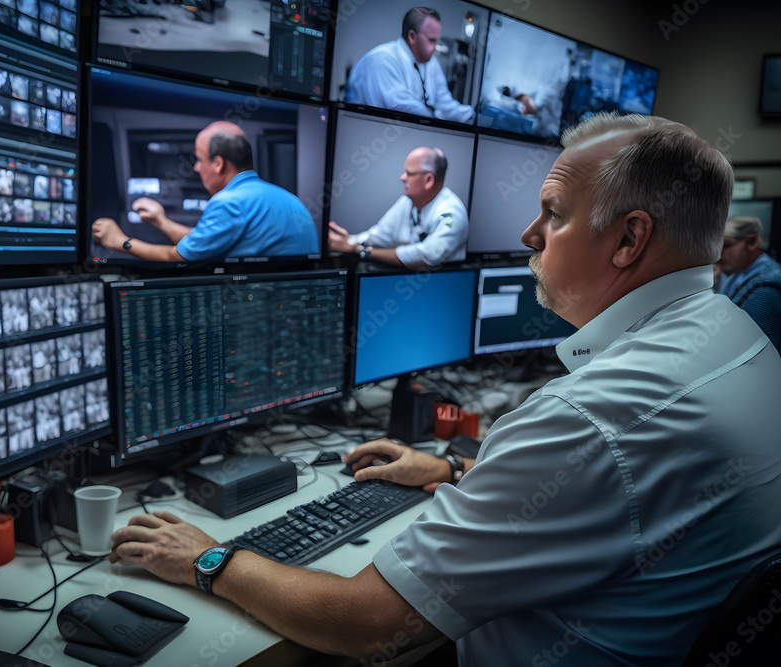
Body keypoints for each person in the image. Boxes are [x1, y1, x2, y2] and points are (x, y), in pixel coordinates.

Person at [106, 112, 781, 664]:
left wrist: (211, 559)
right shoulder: (739, 338)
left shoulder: (587, 415)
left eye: (553, 213)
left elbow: (372, 625)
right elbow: (627, 486)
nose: (527, 234)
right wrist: (458, 463)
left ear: (630, 238)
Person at [92, 121, 319, 262]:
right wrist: (160, 220)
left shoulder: (229, 202)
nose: (196, 167)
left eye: (200, 160)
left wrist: (120, 241)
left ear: (218, 164)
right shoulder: (289, 200)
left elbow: (176, 256)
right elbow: (203, 243)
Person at [328, 146, 468, 268]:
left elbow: (428, 256)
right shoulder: (407, 202)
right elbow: (378, 235)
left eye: (409, 173)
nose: (402, 177)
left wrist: (361, 251)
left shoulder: (451, 214)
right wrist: (349, 241)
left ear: (429, 180)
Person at [343, 8, 474, 123]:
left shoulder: (430, 62)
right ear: (412, 36)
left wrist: (470, 116)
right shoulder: (382, 59)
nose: (436, 48)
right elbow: (403, 109)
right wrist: (436, 116)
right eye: (431, 40)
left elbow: (444, 103)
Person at [715, 215, 781, 350]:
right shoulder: (736, 269)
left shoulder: (766, 288)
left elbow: (753, 349)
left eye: (726, 245)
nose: (719, 255)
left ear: (752, 242)